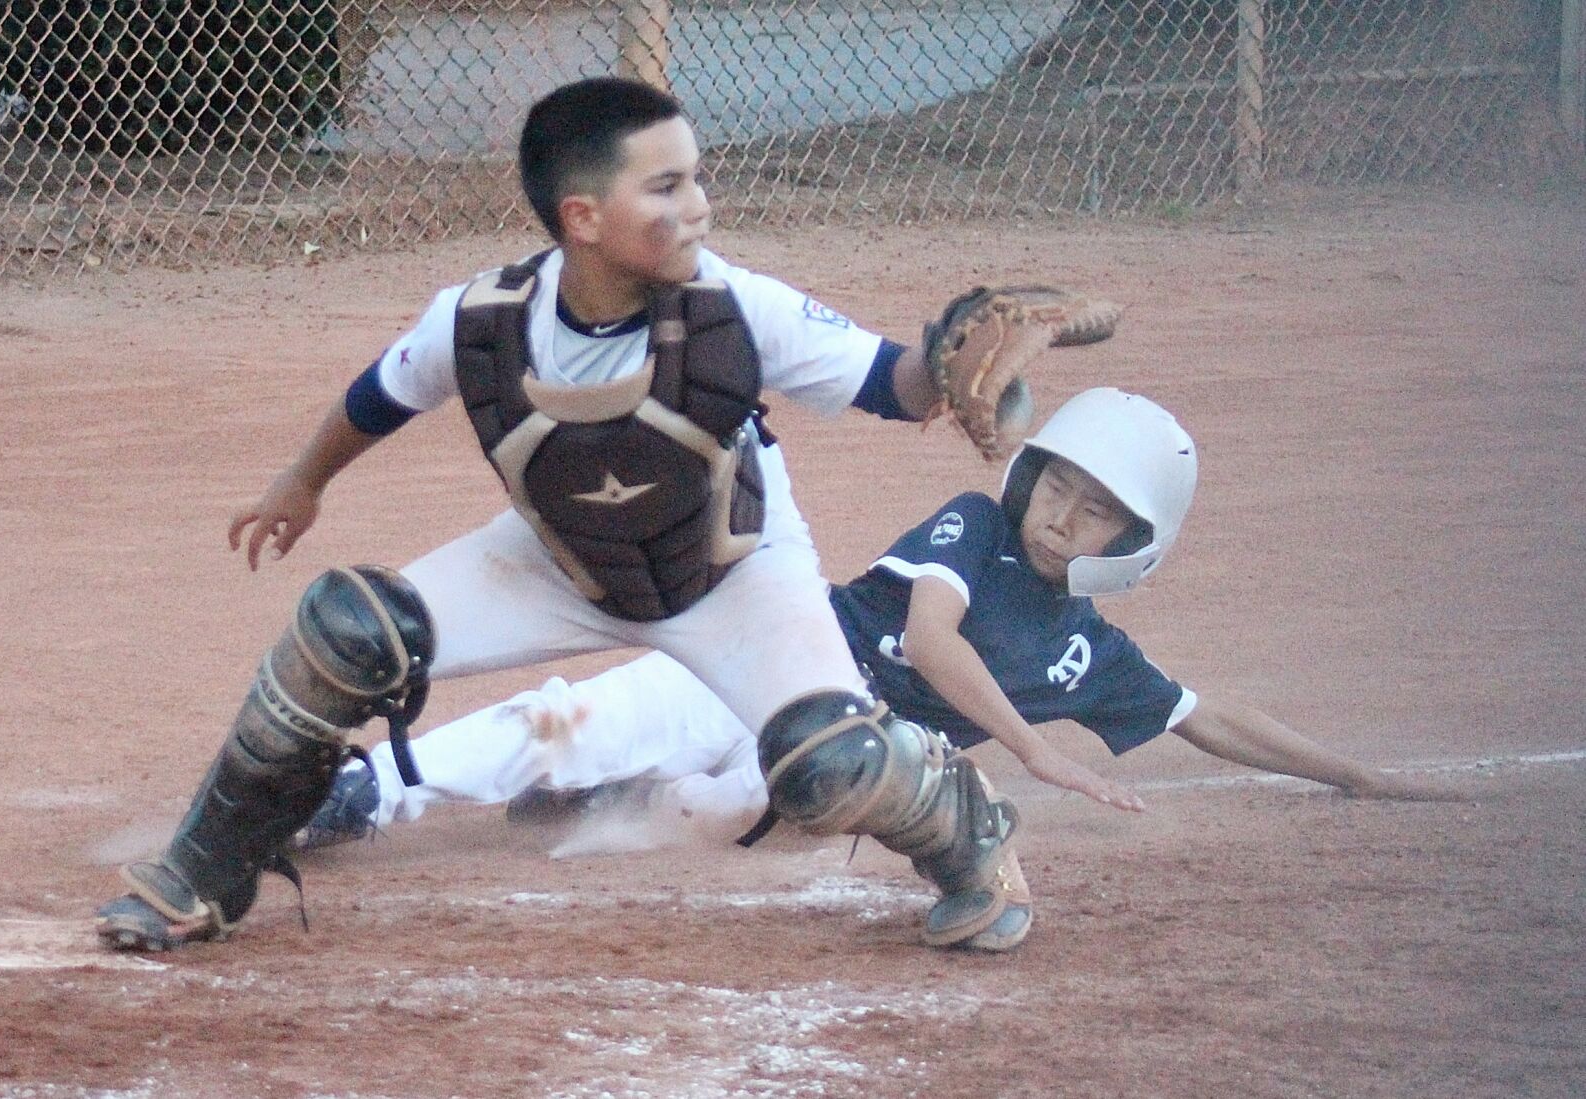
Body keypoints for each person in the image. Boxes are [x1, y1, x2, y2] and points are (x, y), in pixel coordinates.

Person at [95, 77, 1069, 953]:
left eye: (694, 179)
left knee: (828, 763)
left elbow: (889, 383)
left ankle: (959, 826)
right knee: (344, 631)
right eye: (664, 187)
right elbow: (378, 396)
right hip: (553, 559)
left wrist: (943, 356)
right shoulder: (483, 320)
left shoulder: (738, 309)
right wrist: (301, 484)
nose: (697, 206)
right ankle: (207, 867)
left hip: (733, 574)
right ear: (583, 217)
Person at [295, 388, 1466, 952]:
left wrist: (1359, 780)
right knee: (573, 713)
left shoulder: (1090, 653)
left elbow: (1211, 720)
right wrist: (1029, 746)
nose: (1064, 515)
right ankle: (358, 791)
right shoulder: (974, 530)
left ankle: (600, 809)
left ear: (1131, 543)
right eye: (1058, 484)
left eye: (1098, 511)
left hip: (824, 775)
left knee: (692, 812)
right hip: (770, 660)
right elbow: (939, 638)